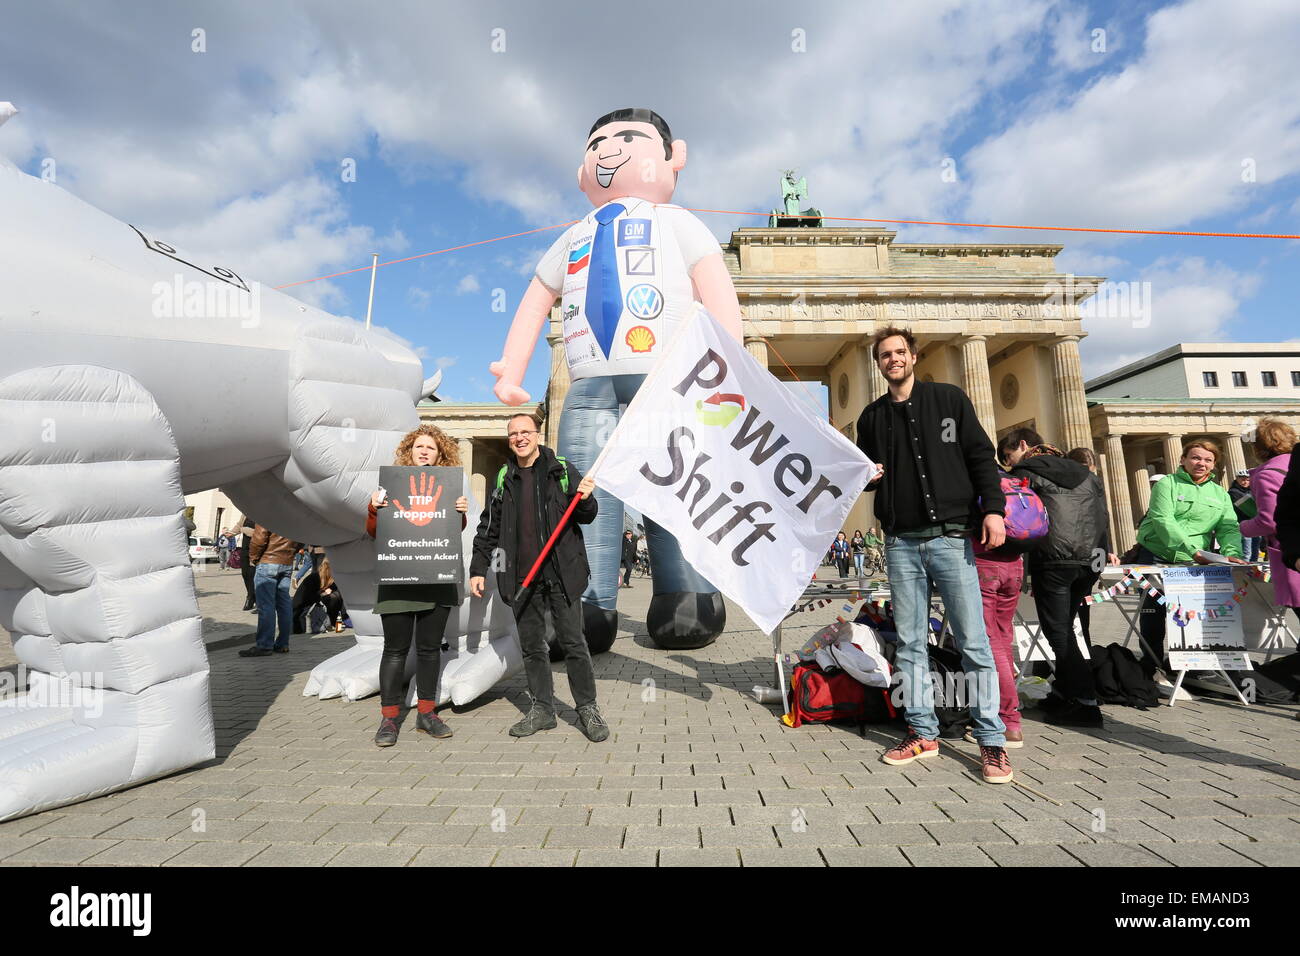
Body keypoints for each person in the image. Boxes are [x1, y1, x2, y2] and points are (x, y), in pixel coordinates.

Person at [855, 326, 1012, 785]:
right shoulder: (870, 417)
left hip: (950, 538)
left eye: (900, 352)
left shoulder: (949, 400)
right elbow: (863, 476)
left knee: (973, 643)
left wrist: (995, 512)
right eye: (885, 355)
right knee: (909, 645)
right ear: (878, 363)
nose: (893, 360)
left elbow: (982, 457)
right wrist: (869, 475)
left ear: (914, 356)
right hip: (901, 542)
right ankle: (922, 732)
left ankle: (992, 741)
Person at [469, 413, 606, 741]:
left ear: (537, 434)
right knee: (532, 646)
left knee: (574, 642)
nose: (519, 438)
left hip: (561, 573)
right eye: (513, 433)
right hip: (520, 577)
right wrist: (478, 568)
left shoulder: (560, 469)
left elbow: (585, 516)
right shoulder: (505, 476)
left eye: (525, 432)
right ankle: (543, 709)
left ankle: (587, 708)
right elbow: (489, 527)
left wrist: (587, 497)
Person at [1001, 430, 1116, 728]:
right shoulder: (1085, 473)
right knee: (1066, 627)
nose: (1007, 463)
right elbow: (1103, 516)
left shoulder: (1025, 473)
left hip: (1052, 559)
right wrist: (1105, 554)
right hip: (1090, 559)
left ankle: (1085, 704)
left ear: (1023, 446)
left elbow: (1019, 516)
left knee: (1060, 633)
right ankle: (1066, 692)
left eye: (1007, 456)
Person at [366, 424, 470, 746]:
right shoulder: (390, 487)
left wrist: (460, 514)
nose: (424, 452)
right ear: (409, 451)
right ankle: (389, 718)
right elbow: (374, 532)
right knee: (395, 650)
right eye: (419, 447)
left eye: (431, 448)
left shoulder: (451, 488)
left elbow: (453, 531)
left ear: (440, 454)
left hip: (435, 578)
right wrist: (373, 509)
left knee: (428, 649)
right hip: (398, 579)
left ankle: (427, 713)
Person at [1135, 439, 1247, 672]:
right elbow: (1162, 519)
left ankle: (1193, 667)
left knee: (1192, 614)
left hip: (1197, 559)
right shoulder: (1167, 484)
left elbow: (1228, 527)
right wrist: (1192, 551)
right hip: (1158, 553)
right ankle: (1152, 666)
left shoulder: (1220, 493)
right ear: (1183, 460)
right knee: (1153, 615)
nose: (1201, 463)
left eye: (1208, 460)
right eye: (1196, 458)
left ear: (1214, 465)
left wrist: (1232, 554)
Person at [1239, 419, 1300, 626]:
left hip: (1291, 552)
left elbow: (1270, 521)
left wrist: (1243, 527)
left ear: (1259, 447)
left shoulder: (1268, 475)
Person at [239, 524, 300, 657]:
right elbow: (302, 538)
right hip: (287, 562)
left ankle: (264, 645)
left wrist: (254, 558)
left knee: (266, 605)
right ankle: (283, 643)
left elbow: (259, 538)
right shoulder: (295, 513)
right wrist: (291, 553)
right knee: (284, 605)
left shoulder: (268, 510)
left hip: (268, 561)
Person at [1229, 469, 1262, 562]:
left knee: (1255, 553)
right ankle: (1243, 574)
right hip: (1243, 525)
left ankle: (1253, 574)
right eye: (1243, 479)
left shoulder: (1252, 490)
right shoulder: (1233, 492)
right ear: (1237, 479)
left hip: (1255, 525)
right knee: (1246, 554)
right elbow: (1250, 509)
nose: (1245, 482)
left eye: (1248, 479)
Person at [238, 515, 256, 611]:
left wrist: (244, 530)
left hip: (256, 549)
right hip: (245, 548)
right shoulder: (245, 512)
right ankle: (252, 596)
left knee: (253, 575)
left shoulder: (263, 513)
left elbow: (264, 533)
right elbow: (239, 525)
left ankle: (250, 598)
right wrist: (231, 533)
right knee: (245, 573)